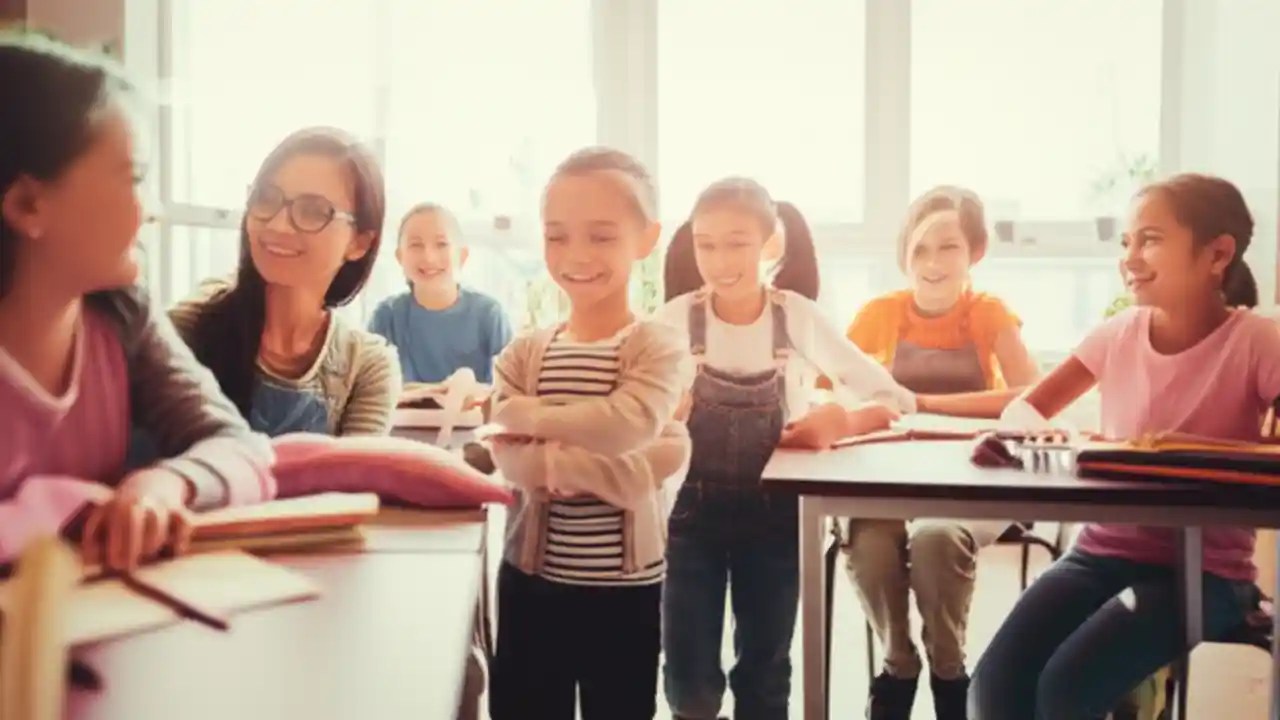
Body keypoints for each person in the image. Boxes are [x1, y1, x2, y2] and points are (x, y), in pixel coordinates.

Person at [968, 174, 1280, 720]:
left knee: (1066, 690)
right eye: (1126, 242)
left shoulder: (1257, 341)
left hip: (1207, 573)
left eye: (1151, 240)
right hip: (1098, 555)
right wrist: (1036, 437)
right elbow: (1025, 409)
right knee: (994, 689)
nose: (1131, 256)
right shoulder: (1117, 333)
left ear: (1218, 254)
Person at [0, 34, 274, 570]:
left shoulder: (122, 318)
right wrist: (69, 506)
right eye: (135, 179)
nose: (153, 210)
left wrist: (165, 483)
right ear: (28, 204)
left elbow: (239, 445)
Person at [655, 179, 915, 720]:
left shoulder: (795, 316)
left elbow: (893, 398)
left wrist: (839, 419)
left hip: (779, 523)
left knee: (766, 675)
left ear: (770, 244)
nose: (720, 259)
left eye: (737, 243)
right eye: (705, 244)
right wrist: (661, 416)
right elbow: (633, 410)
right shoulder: (674, 321)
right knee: (689, 681)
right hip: (687, 521)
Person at [485, 147, 692, 720]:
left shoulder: (657, 345)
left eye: (601, 236)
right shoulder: (527, 350)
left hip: (625, 590)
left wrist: (536, 426)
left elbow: (632, 425)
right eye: (557, 236)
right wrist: (606, 462)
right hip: (530, 581)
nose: (576, 255)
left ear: (646, 238)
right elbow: (503, 446)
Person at [840, 185, 1040, 720]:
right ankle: (898, 663)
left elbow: (1034, 398)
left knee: (934, 538)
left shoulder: (990, 313)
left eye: (948, 247)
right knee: (870, 543)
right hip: (889, 475)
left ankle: (949, 674)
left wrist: (923, 402)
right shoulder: (878, 314)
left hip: (976, 478)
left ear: (975, 253)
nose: (932, 263)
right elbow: (830, 389)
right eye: (920, 248)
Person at [169, 127, 400, 437]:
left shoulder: (366, 368)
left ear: (359, 242)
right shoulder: (191, 327)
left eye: (314, 211)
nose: (278, 224)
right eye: (266, 198)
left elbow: (353, 480)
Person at [368, 202, 512, 384]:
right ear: (400, 257)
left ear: (462, 255)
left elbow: (506, 390)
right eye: (416, 245)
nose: (429, 257)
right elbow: (373, 390)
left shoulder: (489, 315)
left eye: (441, 244)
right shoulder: (386, 317)